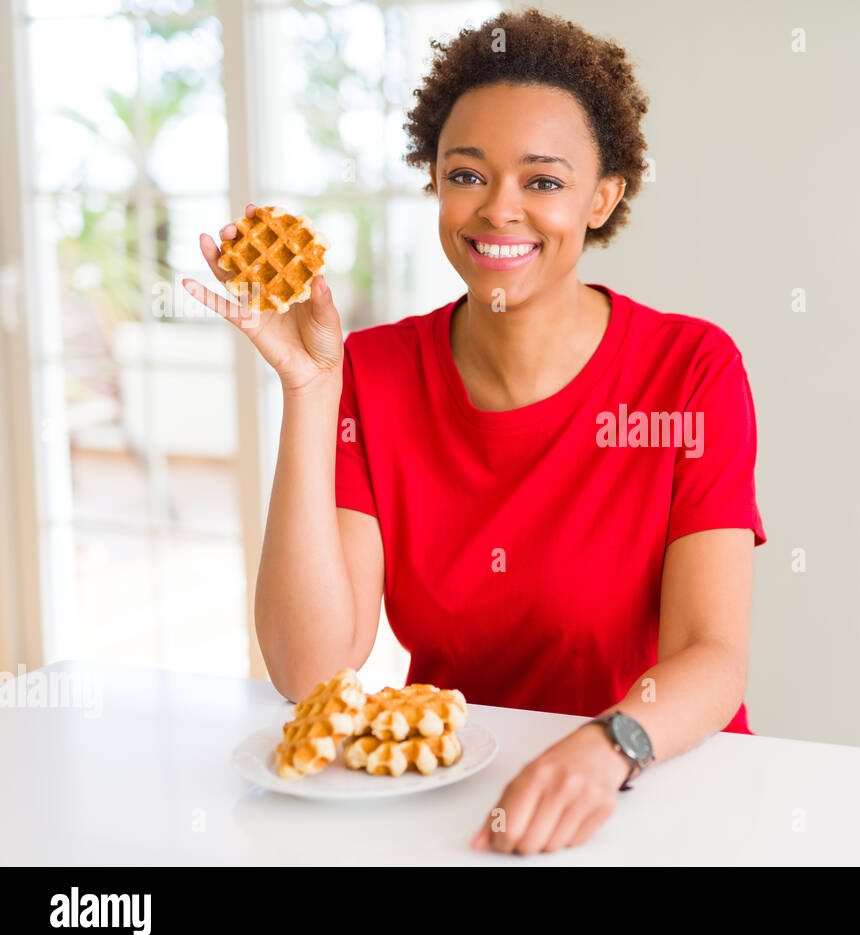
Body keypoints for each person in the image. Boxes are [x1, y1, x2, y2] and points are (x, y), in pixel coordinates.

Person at [183, 7, 766, 855]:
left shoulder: (691, 370)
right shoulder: (371, 373)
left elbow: (712, 654)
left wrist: (608, 746)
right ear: (435, 183)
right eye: (467, 174)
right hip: (460, 802)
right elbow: (311, 671)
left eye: (544, 181)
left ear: (603, 197)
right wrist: (311, 389)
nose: (499, 210)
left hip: (660, 786)